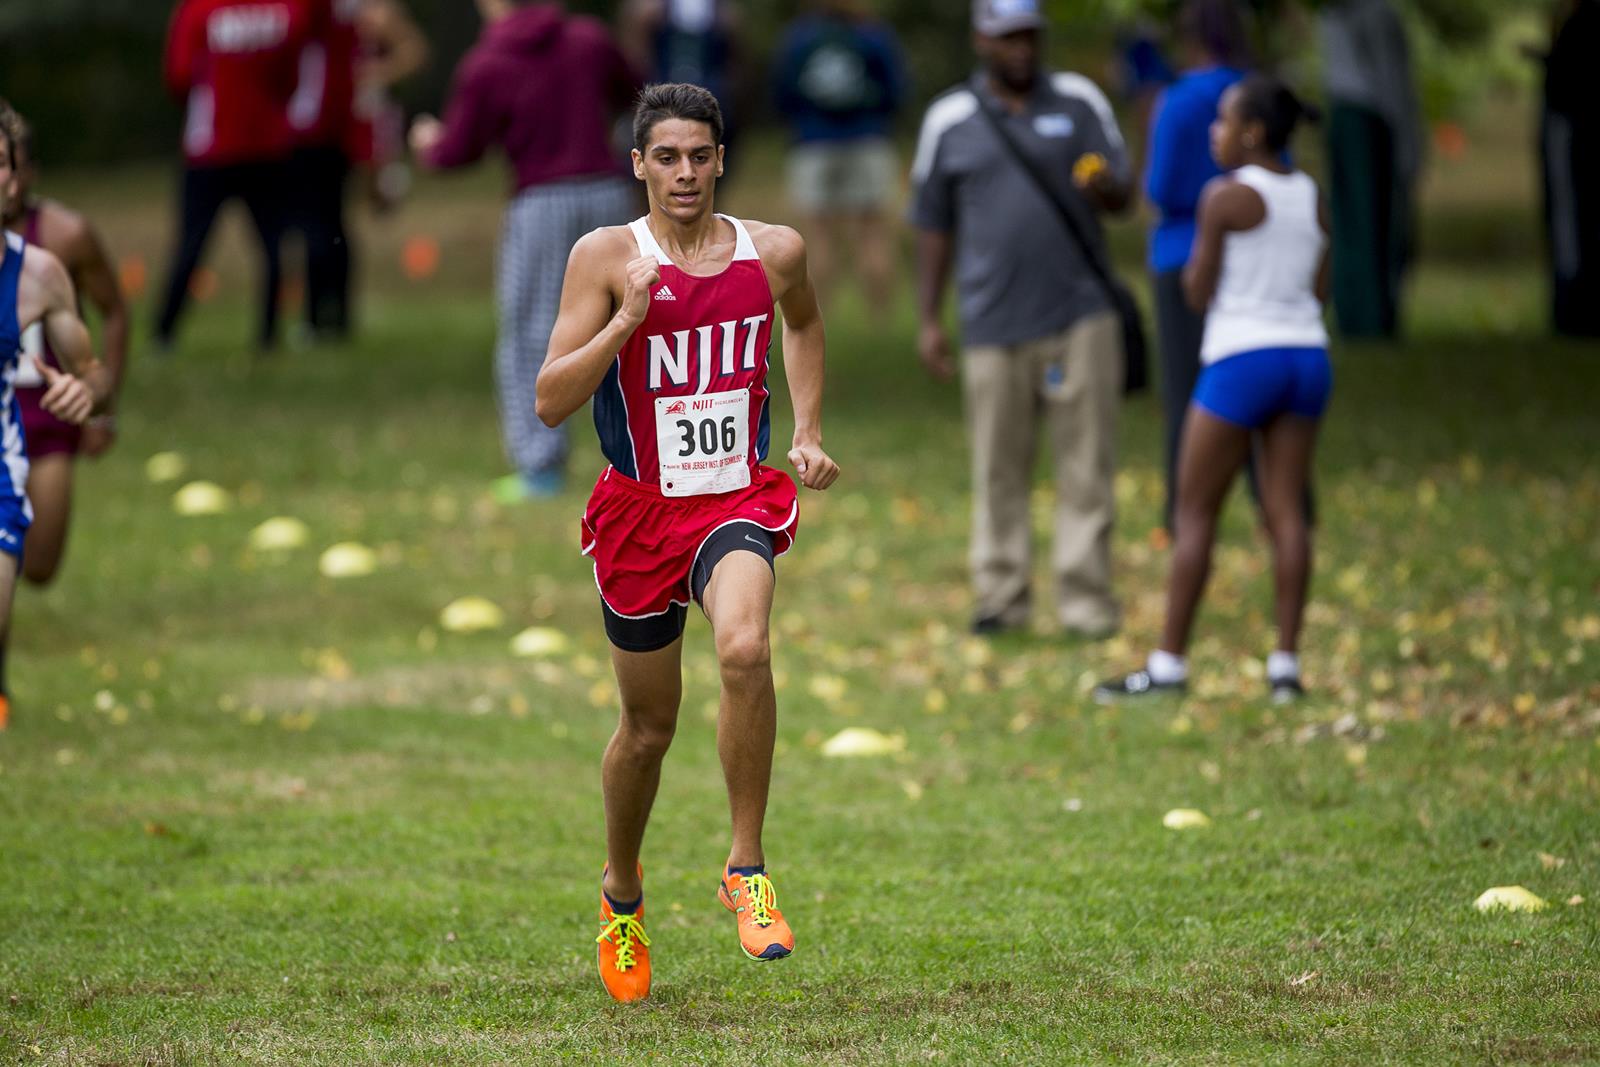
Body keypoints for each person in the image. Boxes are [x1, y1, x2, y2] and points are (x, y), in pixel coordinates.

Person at [536, 83, 839, 1002]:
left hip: (734, 499)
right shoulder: (604, 256)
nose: (684, 173)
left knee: (745, 646)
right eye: (665, 157)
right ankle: (621, 896)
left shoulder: (772, 250)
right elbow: (550, 398)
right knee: (647, 729)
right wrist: (627, 317)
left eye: (699, 156)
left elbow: (806, 321)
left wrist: (810, 428)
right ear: (638, 165)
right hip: (637, 514)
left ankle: (745, 867)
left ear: (720, 161)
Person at [1095, 76, 1330, 705]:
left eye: (1223, 123)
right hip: (1307, 356)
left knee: (1195, 509)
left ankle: (1168, 666)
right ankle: (1285, 666)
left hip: (1241, 359)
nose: (1214, 133)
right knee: (1285, 508)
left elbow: (1196, 291)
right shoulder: (1310, 194)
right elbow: (1322, 287)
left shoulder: (1223, 197)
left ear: (1252, 132)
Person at [910, 0, 1133, 638]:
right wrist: (929, 316)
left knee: (1085, 463)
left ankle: (1086, 602)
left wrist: (1104, 190)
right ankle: (1001, 598)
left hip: (1079, 315)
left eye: (1030, 37)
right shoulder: (949, 118)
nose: (1022, 50)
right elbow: (932, 223)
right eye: (1009, 38)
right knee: (998, 466)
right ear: (982, 39)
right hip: (990, 320)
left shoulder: (1080, 101)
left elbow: (1124, 194)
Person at [410, 0, 640, 500]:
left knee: (531, 334)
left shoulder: (486, 62)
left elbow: (458, 151)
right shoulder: (588, 39)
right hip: (607, 192)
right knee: (632, 321)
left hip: (539, 204)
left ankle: (540, 467)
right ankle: (646, 454)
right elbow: (638, 93)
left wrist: (428, 142)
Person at [0, 100, 110, 730]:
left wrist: (89, 395)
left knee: (36, 570)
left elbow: (90, 366)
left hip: (9, 454)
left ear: (14, 179)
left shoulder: (41, 271)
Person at [1, 117, 129, 592]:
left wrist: (100, 409)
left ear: (24, 174)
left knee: (38, 566)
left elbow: (114, 313)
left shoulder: (59, 243)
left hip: (42, 423)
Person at [1143, 0, 1251, 532]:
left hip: (1181, 258)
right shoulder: (1255, 94)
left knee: (1185, 393)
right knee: (1250, 384)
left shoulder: (1180, 99)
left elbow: (1159, 186)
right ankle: (1275, 506)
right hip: (1248, 257)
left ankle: (1180, 512)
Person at [155, 0, 316, 352]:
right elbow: (292, 73)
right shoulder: (286, 10)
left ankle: (163, 335)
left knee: (191, 243)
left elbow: (179, 75)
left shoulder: (199, 9)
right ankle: (269, 336)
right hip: (268, 144)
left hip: (211, 146)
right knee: (273, 245)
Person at [772, 0, 907, 314]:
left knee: (818, 235)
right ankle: (880, 318)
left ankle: (819, 316)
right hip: (868, 138)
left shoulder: (800, 36)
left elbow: (781, 91)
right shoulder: (873, 34)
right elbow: (897, 89)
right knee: (873, 232)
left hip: (813, 142)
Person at [1319, 0, 1421, 339]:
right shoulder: (1366, 14)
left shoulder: (1343, 14)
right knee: (1366, 221)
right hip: (1367, 117)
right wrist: (1408, 137)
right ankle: (1368, 315)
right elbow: (1392, 79)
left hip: (1356, 114)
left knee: (1359, 221)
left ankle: (1363, 314)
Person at [288, 0, 359, 341]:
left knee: (317, 227)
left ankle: (317, 318)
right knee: (333, 224)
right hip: (337, 123)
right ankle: (338, 316)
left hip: (313, 126)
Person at [1539, 0, 1600, 337]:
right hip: (1575, 128)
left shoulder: (1584, 21)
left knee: (1572, 220)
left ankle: (1575, 309)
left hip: (1574, 129)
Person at [619, 0, 743, 166]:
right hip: (660, 102)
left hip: (710, 102)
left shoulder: (721, 13)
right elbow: (634, 60)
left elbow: (734, 64)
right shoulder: (649, 12)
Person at [347, 0, 430, 214]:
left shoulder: (376, 11)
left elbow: (415, 51)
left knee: (375, 181)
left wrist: (379, 73)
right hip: (332, 110)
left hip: (369, 106)